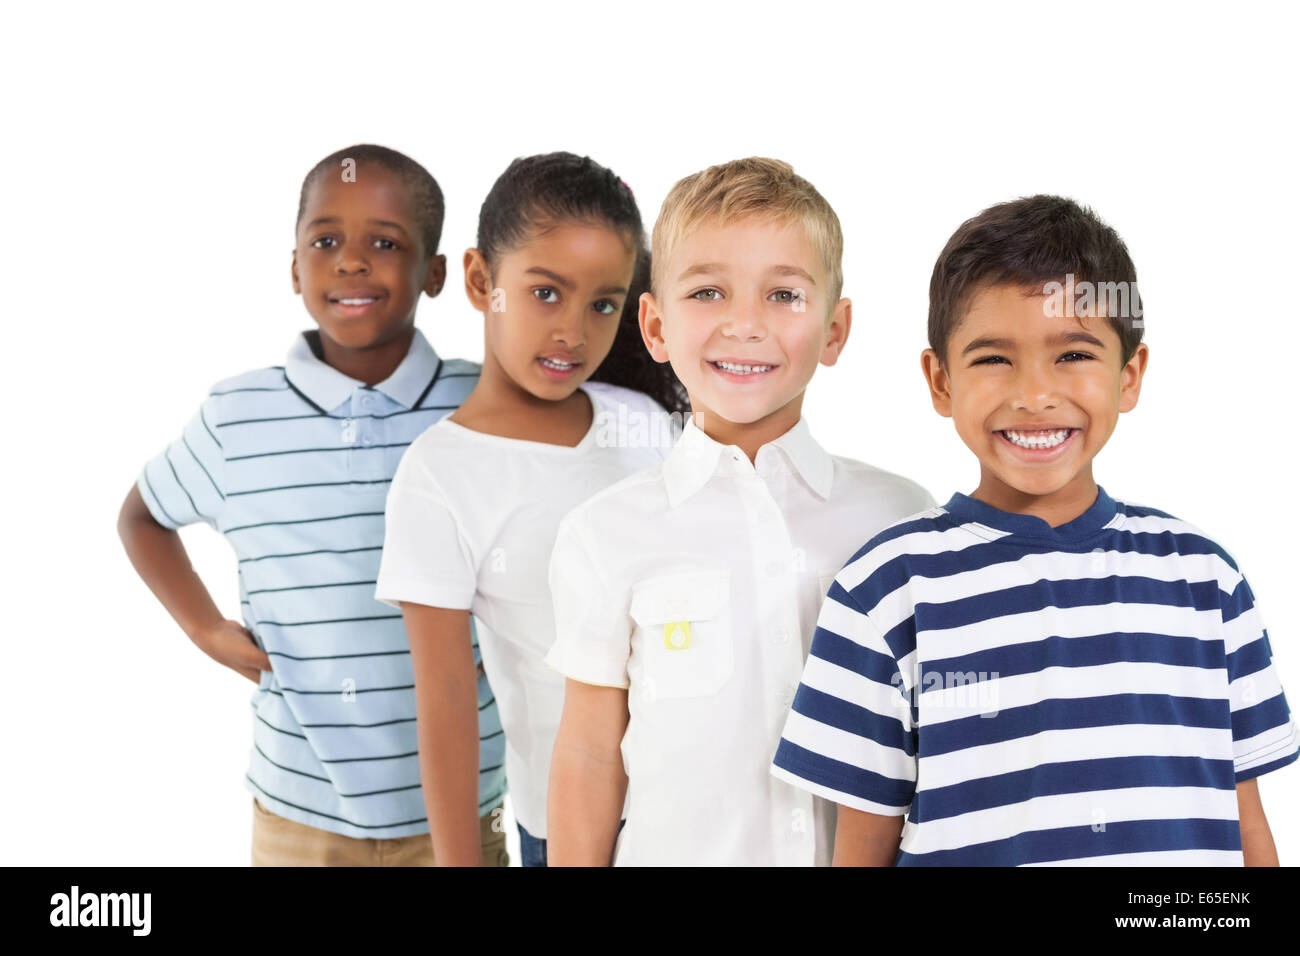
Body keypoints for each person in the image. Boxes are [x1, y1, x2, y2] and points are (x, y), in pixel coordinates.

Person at [772, 194, 1298, 865]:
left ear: (1128, 375)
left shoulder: (1204, 580)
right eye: (994, 359)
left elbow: (1247, 824)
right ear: (940, 381)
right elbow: (860, 851)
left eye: (1074, 354)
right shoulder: (885, 592)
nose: (1035, 394)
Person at [117, 144, 509, 866]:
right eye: (325, 241)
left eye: (384, 244)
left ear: (436, 273)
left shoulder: (484, 403)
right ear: (294, 267)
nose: (351, 262)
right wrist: (202, 626)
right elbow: (141, 517)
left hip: (460, 814)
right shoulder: (238, 416)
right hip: (297, 813)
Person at [545, 157, 934, 865]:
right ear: (656, 328)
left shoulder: (900, 519)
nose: (745, 324)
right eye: (708, 292)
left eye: (783, 293)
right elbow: (590, 756)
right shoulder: (604, 534)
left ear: (835, 329)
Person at [374, 152, 687, 866]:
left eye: (603, 303)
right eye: (546, 293)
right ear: (483, 281)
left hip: (692, 808)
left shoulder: (642, 422)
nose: (574, 331)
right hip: (570, 825)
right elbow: (448, 703)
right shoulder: (438, 476)